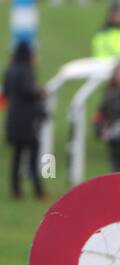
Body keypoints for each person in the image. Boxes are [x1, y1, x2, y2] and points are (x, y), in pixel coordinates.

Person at [4, 41, 45, 200]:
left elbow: (7, 92)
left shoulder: (10, 70)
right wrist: (40, 92)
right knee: (33, 155)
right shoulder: (26, 69)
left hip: (13, 118)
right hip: (26, 120)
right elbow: (28, 90)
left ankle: (16, 190)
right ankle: (38, 190)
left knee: (17, 156)